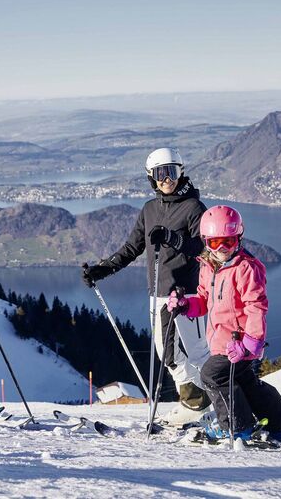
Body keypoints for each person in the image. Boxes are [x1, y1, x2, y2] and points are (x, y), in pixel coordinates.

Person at [82, 147, 211, 425]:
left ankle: (222, 405)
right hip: (159, 294)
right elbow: (132, 248)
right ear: (151, 178)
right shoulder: (150, 209)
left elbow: (204, 248)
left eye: (172, 172)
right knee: (167, 354)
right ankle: (194, 401)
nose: (167, 179)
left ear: (181, 171)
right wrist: (101, 270)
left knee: (199, 352)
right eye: (161, 173)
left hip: (188, 292)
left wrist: (174, 240)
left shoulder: (193, 208)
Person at [168, 205, 281, 443]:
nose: (223, 249)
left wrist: (251, 342)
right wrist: (185, 305)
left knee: (212, 375)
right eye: (216, 242)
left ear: (238, 237)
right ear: (206, 241)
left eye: (228, 241)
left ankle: (237, 428)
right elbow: (205, 301)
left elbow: (256, 307)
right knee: (246, 383)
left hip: (240, 345)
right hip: (222, 344)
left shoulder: (246, 268)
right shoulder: (208, 267)